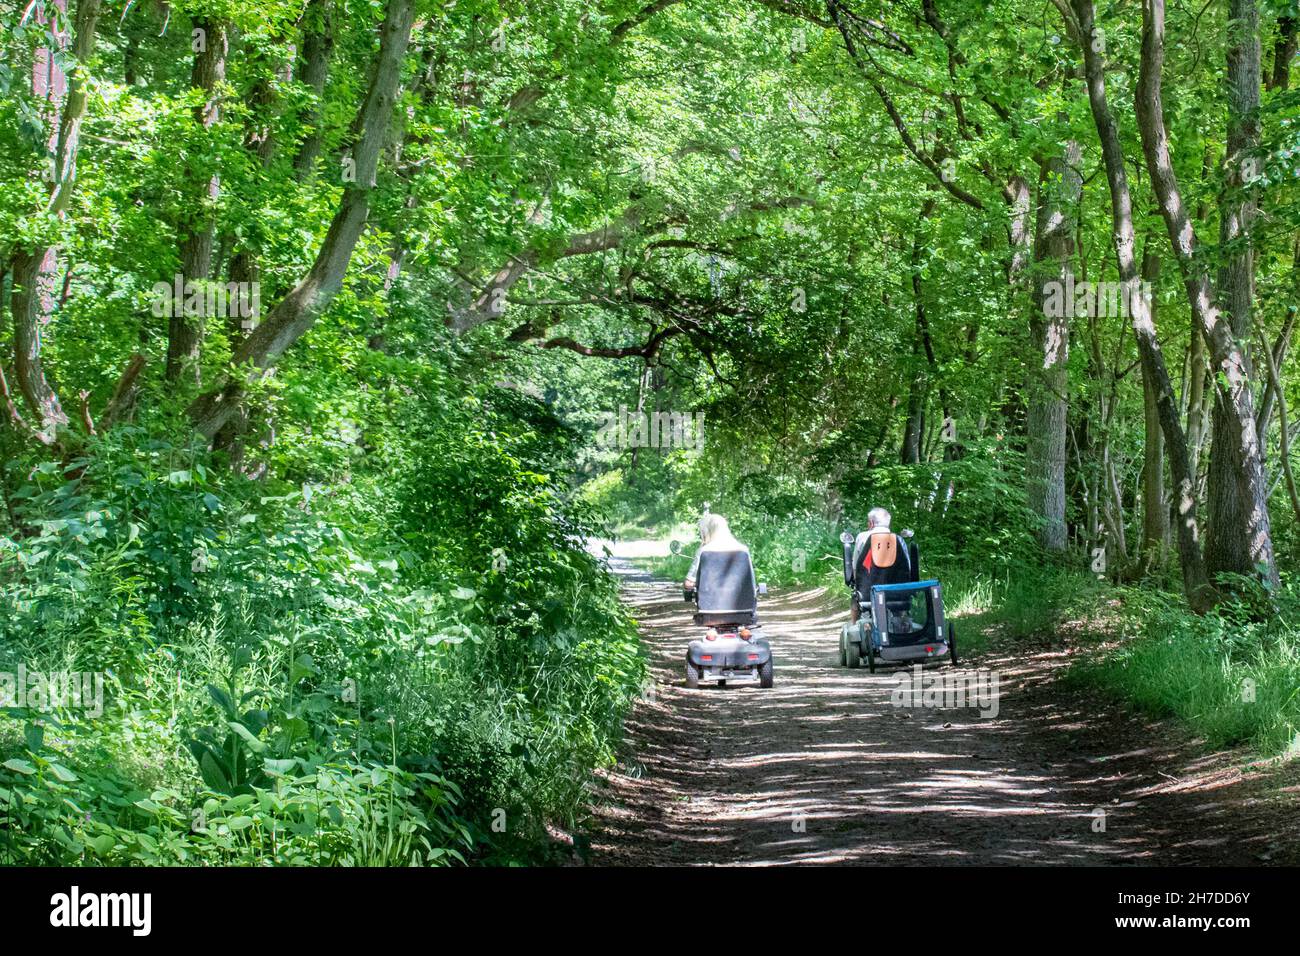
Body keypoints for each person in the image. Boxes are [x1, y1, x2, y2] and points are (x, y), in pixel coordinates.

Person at [849, 507, 912, 627]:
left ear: (871, 523)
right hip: (898, 594)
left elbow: (856, 568)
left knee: (854, 595)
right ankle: (901, 618)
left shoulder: (862, 537)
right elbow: (907, 568)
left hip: (868, 595)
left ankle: (854, 624)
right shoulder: (899, 540)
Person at [684, 513, 751, 593]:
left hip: (709, 603)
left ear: (706, 531)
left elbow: (688, 583)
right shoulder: (743, 550)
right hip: (741, 602)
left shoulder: (704, 551)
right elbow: (748, 579)